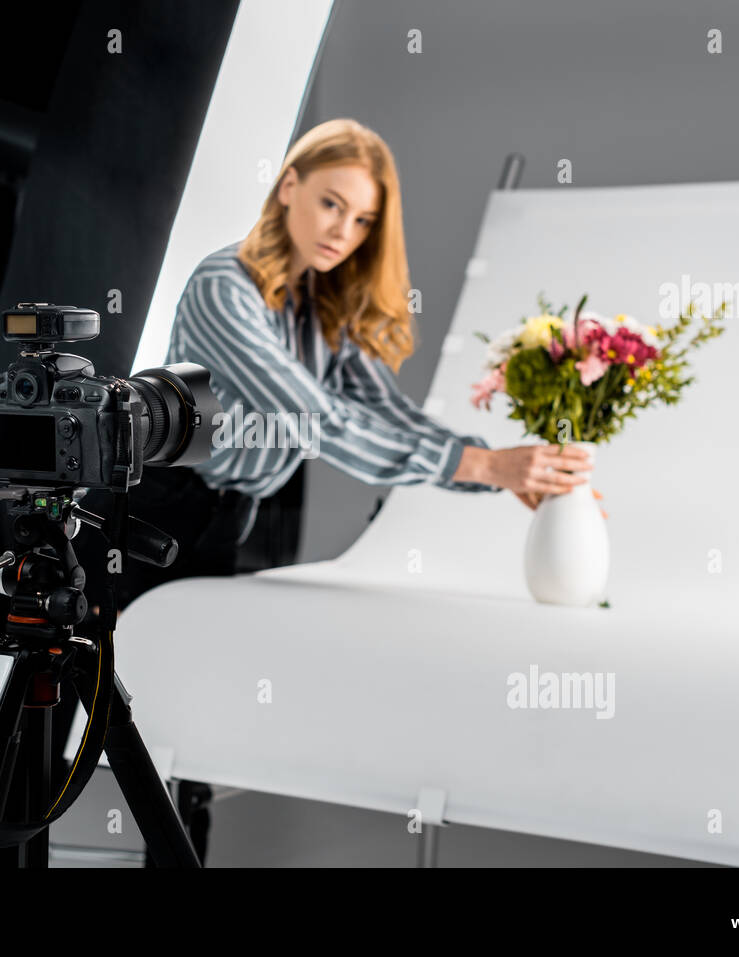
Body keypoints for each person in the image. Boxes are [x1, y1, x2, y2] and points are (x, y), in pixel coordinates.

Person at [57, 117, 597, 861]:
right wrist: (485, 467)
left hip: (230, 518)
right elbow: (312, 419)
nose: (344, 229)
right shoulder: (225, 286)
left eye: (364, 218)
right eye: (331, 203)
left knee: (191, 716)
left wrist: (502, 473)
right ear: (289, 189)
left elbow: (383, 413)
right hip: (152, 513)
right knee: (72, 709)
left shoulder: (319, 306)